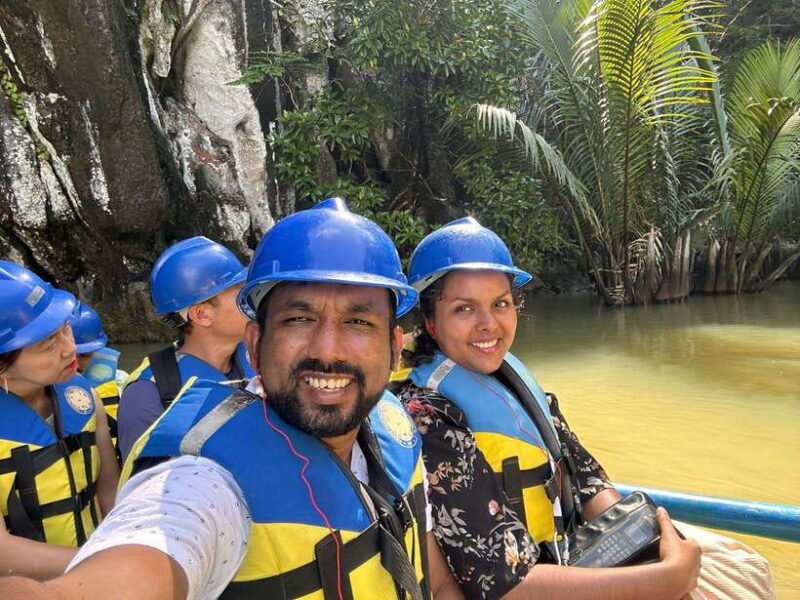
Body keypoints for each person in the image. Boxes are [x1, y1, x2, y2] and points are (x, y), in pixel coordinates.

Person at [0, 198, 464, 600]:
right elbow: (149, 544)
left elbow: (436, 582)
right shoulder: (204, 482)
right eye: (298, 320)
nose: (327, 349)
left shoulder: (392, 423)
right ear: (256, 344)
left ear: (395, 345)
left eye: (359, 322)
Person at [394, 217, 705, 600]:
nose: (488, 324)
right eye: (464, 309)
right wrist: (661, 582)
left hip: (566, 558)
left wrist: (649, 547)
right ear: (430, 321)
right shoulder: (426, 417)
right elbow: (504, 583)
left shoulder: (512, 381)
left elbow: (588, 482)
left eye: (501, 304)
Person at [0, 262, 119, 580]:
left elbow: (109, 494)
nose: (71, 350)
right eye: (48, 344)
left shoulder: (83, 396)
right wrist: (108, 562)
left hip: (97, 577)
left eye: (65, 328)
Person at [117, 236, 255, 461]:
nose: (252, 299)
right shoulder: (149, 393)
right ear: (202, 314)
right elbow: (146, 487)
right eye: (241, 292)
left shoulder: (261, 365)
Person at [68, 302, 128, 454]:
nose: (75, 364)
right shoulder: (38, 390)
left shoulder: (121, 382)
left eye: (84, 355)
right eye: (68, 355)